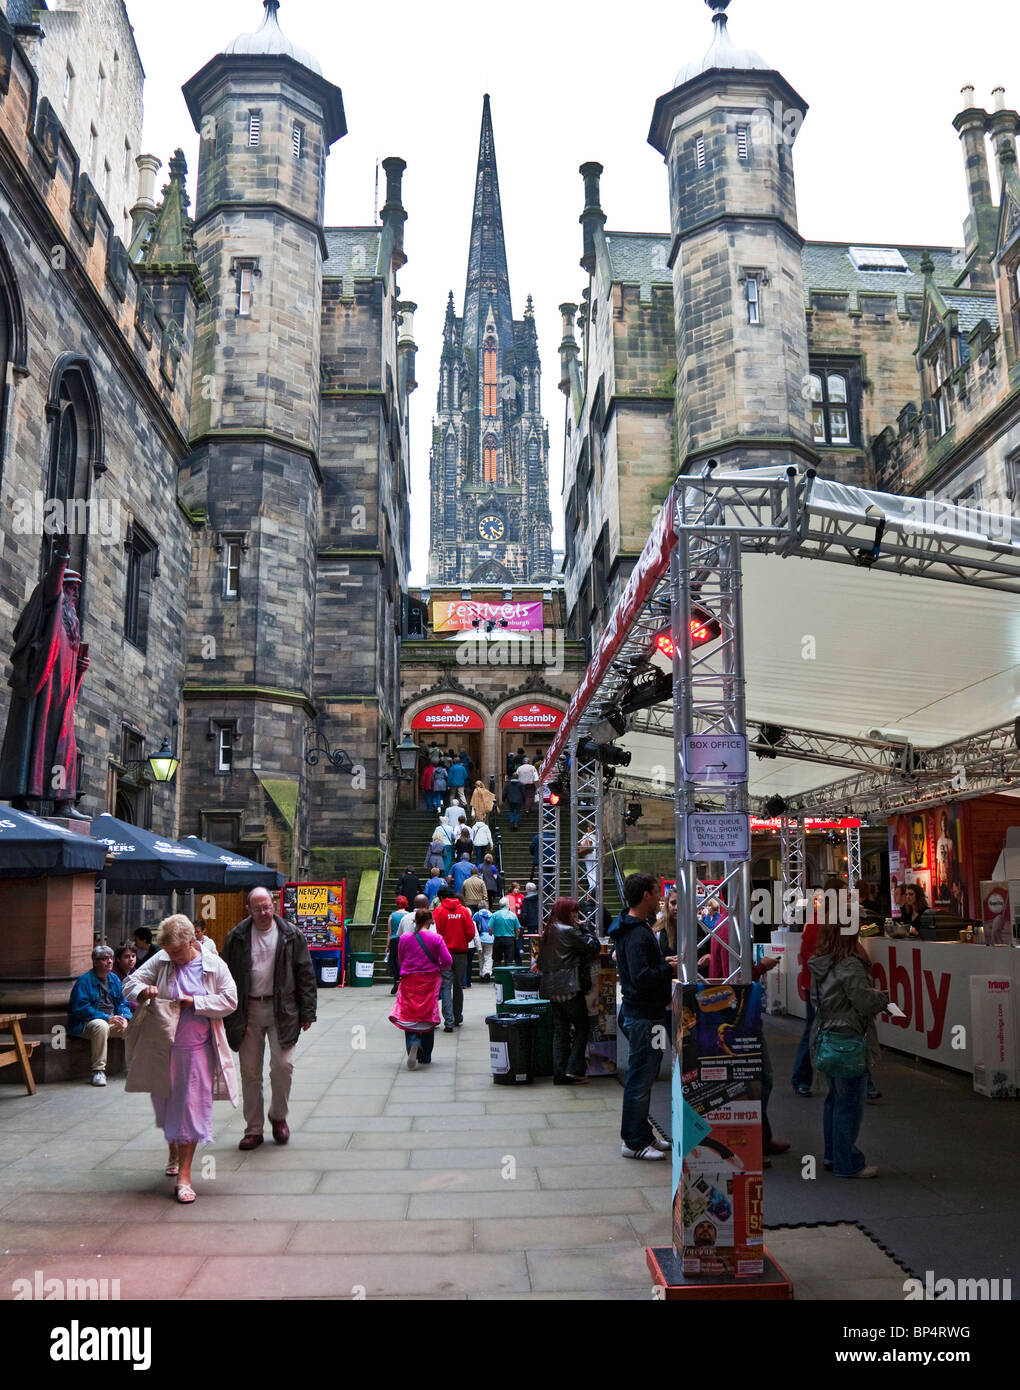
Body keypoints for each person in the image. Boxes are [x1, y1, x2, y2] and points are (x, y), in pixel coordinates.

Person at [123, 915, 239, 1204]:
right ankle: (173, 1150)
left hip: (197, 1048)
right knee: (166, 1104)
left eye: (176, 951)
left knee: (191, 1106)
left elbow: (230, 1000)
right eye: (168, 952)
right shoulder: (162, 959)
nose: (172, 957)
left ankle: (185, 1175)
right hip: (163, 1046)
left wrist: (196, 1002)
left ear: (192, 941)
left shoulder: (213, 964)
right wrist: (143, 989)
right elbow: (130, 981)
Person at [221, 886, 317, 1150]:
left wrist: (308, 1011)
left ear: (274, 905)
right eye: (257, 908)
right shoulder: (236, 936)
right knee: (250, 1072)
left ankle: (278, 1117)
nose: (263, 912)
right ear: (248, 910)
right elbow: (223, 974)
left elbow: (305, 973)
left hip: (283, 1010)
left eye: (267, 906)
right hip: (247, 1010)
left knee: (283, 1066)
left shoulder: (291, 934)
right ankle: (253, 1128)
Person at [0, 548, 91, 816]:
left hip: (62, 697)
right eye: (71, 588)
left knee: (65, 747)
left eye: (76, 590)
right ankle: (23, 797)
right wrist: (63, 555)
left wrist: (79, 669)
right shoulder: (50, 607)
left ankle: (63, 801)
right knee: (36, 742)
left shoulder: (70, 624)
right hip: (42, 693)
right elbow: (52, 586)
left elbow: (67, 664)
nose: (74, 595)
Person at [808, 921, 890, 1178]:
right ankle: (847, 1162)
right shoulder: (850, 964)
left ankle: (833, 1154)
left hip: (826, 1035)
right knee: (849, 1101)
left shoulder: (819, 964)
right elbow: (864, 1001)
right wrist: (882, 998)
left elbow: (814, 1000)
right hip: (849, 1037)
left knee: (834, 1098)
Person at [609, 874, 675, 1160]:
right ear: (646, 895)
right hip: (643, 1015)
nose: (659, 898)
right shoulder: (637, 933)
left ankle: (643, 1135)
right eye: (656, 893)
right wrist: (666, 969)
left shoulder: (633, 928)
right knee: (640, 1078)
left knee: (645, 1077)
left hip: (643, 1013)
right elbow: (641, 976)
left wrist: (662, 964)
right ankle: (634, 1141)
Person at [538, 897, 600, 1085]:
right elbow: (593, 947)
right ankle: (573, 1070)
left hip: (552, 988)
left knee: (561, 1029)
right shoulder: (568, 930)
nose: (575, 915)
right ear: (566, 912)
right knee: (582, 1028)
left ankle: (560, 1073)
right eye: (573, 912)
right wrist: (585, 928)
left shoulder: (549, 931)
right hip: (570, 987)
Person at [391, 908, 453, 1069]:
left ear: (414, 921)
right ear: (429, 921)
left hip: (409, 979)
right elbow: (447, 961)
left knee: (409, 1014)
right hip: (430, 980)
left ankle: (412, 1041)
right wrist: (438, 965)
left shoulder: (405, 938)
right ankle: (425, 1056)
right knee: (427, 1015)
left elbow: (401, 957)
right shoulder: (436, 938)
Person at [68, 946, 130, 1086]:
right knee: (101, 1025)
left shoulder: (114, 978)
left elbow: (122, 1002)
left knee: (139, 1022)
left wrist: (125, 1017)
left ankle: (137, 1066)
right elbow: (80, 1008)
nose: (109, 961)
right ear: (95, 962)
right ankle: (98, 1071)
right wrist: (107, 1017)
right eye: (104, 958)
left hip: (112, 1020)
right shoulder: (84, 981)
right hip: (86, 1024)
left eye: (111, 958)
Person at [432, 888, 474, 1030]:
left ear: (442, 897)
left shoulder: (438, 911)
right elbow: (470, 932)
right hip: (461, 953)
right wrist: (462, 941)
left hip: (444, 953)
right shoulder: (463, 910)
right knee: (458, 986)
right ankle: (457, 1017)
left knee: (445, 986)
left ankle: (448, 1021)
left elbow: (436, 933)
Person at [489, 896, 521, 967]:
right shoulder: (513, 915)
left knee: (496, 959)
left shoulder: (495, 915)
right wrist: (516, 936)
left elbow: (489, 927)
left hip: (498, 939)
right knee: (509, 960)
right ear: (507, 905)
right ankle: (507, 976)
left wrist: (491, 934)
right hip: (509, 939)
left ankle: (497, 975)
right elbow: (518, 929)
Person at [387, 896, 409, 993]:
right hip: (405, 940)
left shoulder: (392, 916)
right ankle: (404, 980)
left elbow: (389, 932)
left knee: (394, 960)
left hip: (394, 940)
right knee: (405, 960)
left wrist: (387, 946)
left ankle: (396, 979)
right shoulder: (409, 915)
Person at [473, 902, 495, 979]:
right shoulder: (492, 915)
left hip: (479, 937)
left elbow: (473, 925)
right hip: (489, 937)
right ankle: (487, 971)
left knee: (480, 956)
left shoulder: (476, 914)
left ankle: (482, 973)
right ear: (487, 906)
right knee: (488, 956)